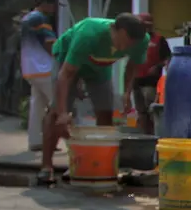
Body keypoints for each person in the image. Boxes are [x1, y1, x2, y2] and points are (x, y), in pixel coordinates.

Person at [38, 14, 148, 183]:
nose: (127, 48)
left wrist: (126, 92)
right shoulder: (89, 34)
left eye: (132, 45)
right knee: (56, 115)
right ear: (118, 30)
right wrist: (62, 113)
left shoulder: (141, 41)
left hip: (100, 67)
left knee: (105, 115)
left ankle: (96, 165)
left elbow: (132, 66)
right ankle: (46, 167)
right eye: (126, 42)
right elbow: (66, 75)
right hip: (66, 61)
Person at [20, 0, 61, 152]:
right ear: (44, 3)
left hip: (30, 68)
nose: (54, 8)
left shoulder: (27, 19)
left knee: (37, 105)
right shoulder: (40, 19)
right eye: (52, 4)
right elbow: (50, 43)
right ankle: (55, 140)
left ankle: (35, 140)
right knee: (58, 105)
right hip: (44, 67)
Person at [129, 12, 171, 135]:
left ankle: (154, 136)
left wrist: (157, 67)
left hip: (151, 83)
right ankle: (143, 136)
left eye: (148, 24)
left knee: (152, 111)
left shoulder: (159, 40)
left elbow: (167, 59)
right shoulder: (134, 40)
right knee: (141, 112)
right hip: (136, 82)